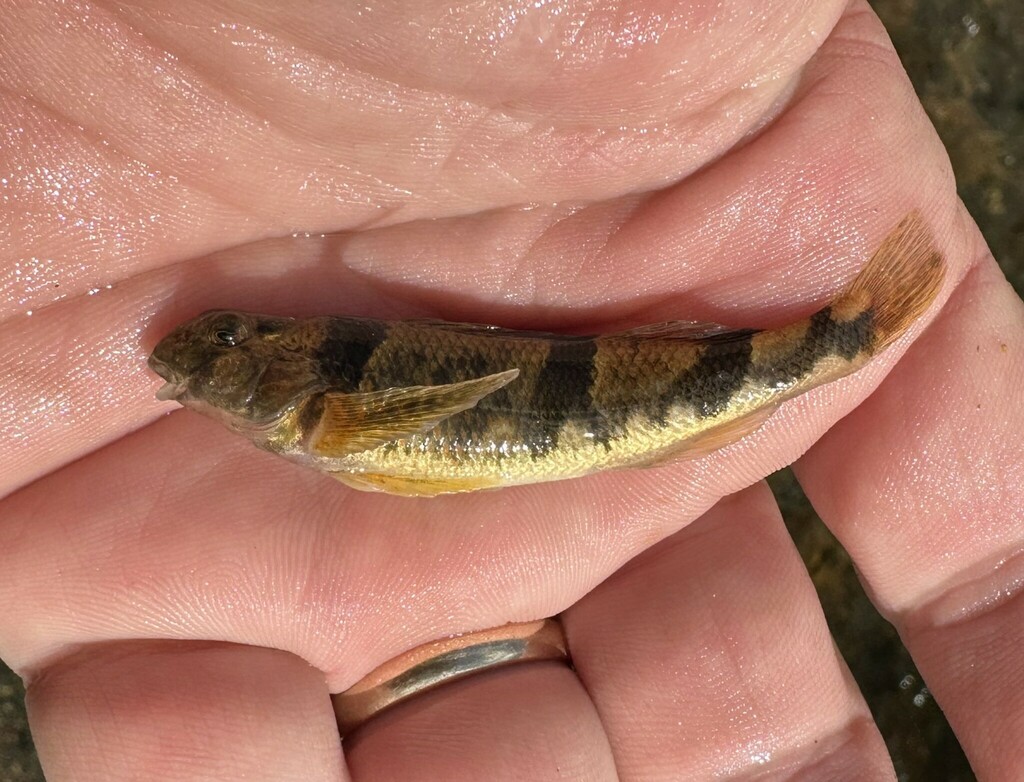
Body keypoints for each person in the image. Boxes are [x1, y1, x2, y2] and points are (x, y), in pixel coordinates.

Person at [0, 1, 1020, 779]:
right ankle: (833, 338)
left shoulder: (323, 407)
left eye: (230, 341)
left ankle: (840, 334)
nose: (200, 355)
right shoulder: (313, 403)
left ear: (283, 368)